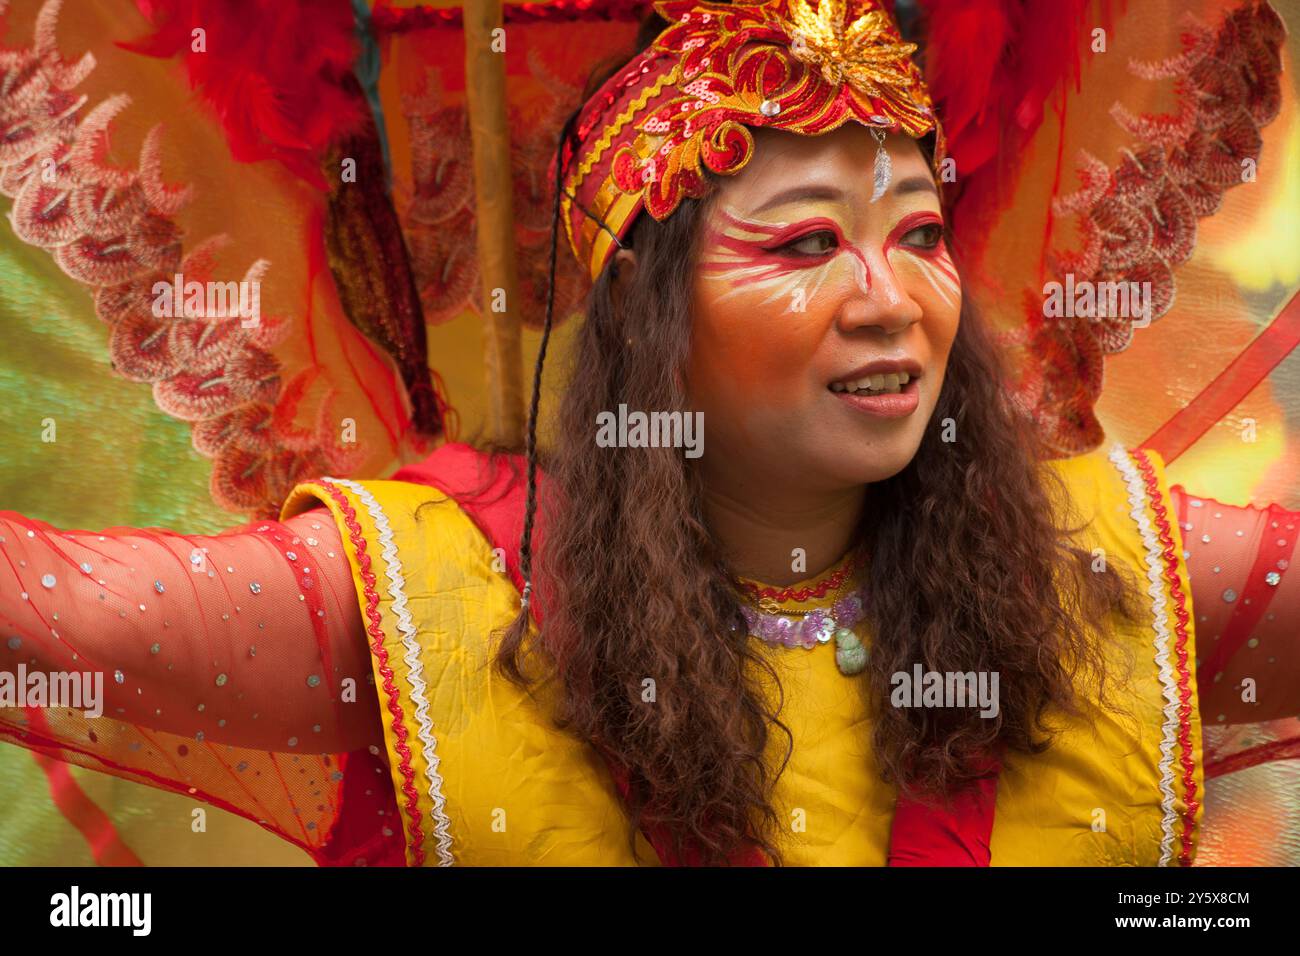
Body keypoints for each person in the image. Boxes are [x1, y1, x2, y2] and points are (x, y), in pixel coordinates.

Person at [1, 0, 1297, 867]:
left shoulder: (1105, 562)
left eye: (917, 233)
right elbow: (59, 619)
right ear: (645, 312)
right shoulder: (440, 590)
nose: (891, 299)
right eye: (806, 244)